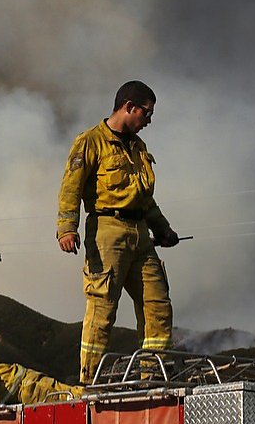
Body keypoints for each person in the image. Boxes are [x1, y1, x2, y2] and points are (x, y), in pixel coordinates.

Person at [56, 80, 183, 385]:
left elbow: (145, 199)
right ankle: (91, 381)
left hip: (141, 233)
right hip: (106, 231)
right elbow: (71, 187)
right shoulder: (90, 142)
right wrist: (66, 228)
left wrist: (163, 229)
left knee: (158, 304)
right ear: (129, 107)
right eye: (146, 113)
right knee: (102, 308)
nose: (148, 120)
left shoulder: (139, 148)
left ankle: (154, 375)